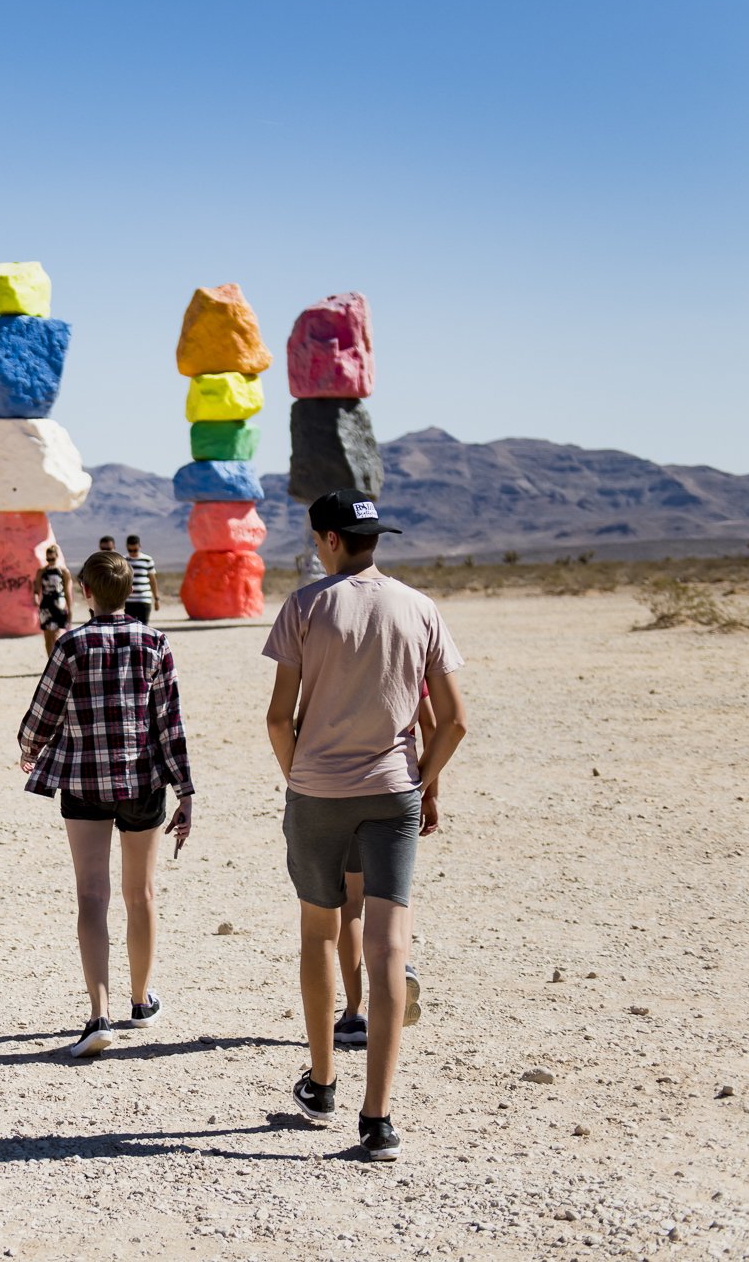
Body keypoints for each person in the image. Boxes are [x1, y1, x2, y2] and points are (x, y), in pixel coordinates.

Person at [263, 490, 467, 1163]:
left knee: (320, 930)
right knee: (388, 949)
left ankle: (322, 1082)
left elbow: (275, 716)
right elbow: (456, 721)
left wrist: (299, 778)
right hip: (392, 792)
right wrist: (425, 780)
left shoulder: (304, 607)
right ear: (374, 539)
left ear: (326, 540)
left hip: (316, 790)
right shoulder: (419, 607)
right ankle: (376, 1119)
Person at [17, 551, 195, 1058]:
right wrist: (185, 790)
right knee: (141, 895)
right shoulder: (155, 642)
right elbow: (170, 723)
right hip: (142, 783)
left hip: (84, 782)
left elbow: (41, 715)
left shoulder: (71, 645)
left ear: (84, 592)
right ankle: (140, 1001)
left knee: (92, 897)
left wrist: (29, 748)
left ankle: (99, 1014)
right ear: (130, 593)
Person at [336, 688, 437, 1047]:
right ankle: (401, 966)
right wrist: (430, 791)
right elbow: (434, 724)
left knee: (351, 900)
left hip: (341, 781)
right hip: (397, 784)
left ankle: (354, 1013)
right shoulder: (411, 640)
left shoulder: (329, 637)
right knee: (395, 892)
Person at [32, 544, 75, 658]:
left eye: (52, 558)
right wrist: (36, 597)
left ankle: (58, 661)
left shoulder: (63, 572)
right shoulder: (41, 571)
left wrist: (70, 609)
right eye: (48, 558)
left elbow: (67, 590)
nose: (50, 560)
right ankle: (50, 660)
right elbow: (36, 589)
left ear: (57, 556)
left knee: (57, 635)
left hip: (59, 605)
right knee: (47, 635)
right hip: (46, 605)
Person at [122, 537, 156, 625]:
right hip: (128, 601)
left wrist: (156, 598)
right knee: (128, 626)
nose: (133, 553)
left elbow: (152, 580)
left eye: (135, 550)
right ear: (127, 547)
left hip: (144, 599)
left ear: (140, 546)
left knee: (144, 626)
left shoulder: (147, 559)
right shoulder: (123, 560)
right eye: (130, 550)